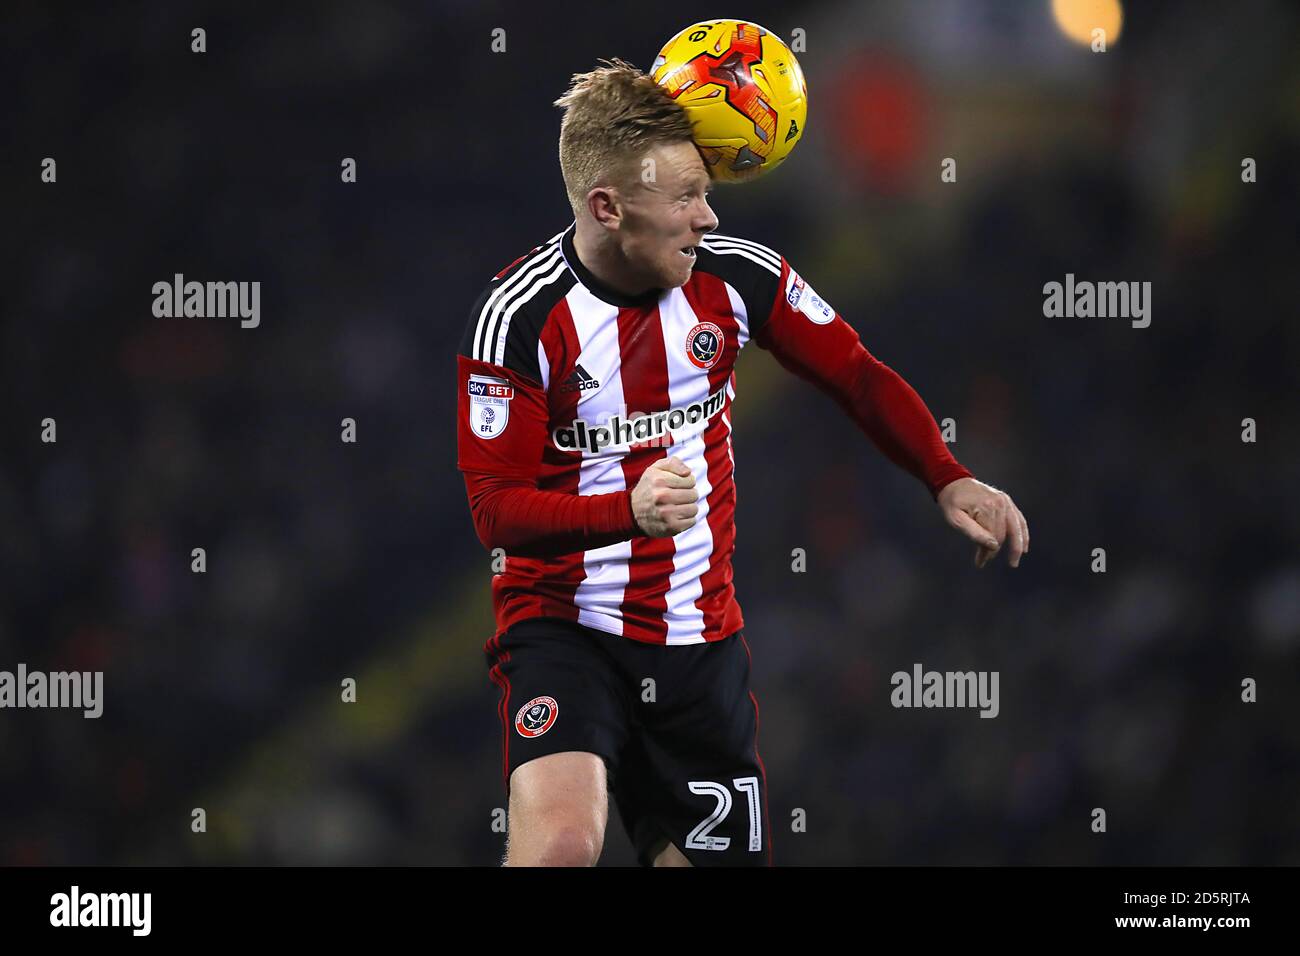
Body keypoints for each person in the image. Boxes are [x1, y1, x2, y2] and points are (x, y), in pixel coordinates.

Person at [456, 58, 1029, 867]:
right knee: (559, 847)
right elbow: (495, 511)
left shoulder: (737, 275)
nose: (708, 215)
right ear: (608, 207)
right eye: (686, 196)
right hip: (563, 630)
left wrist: (946, 473)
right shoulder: (518, 317)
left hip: (698, 640)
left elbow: (856, 374)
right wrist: (628, 510)